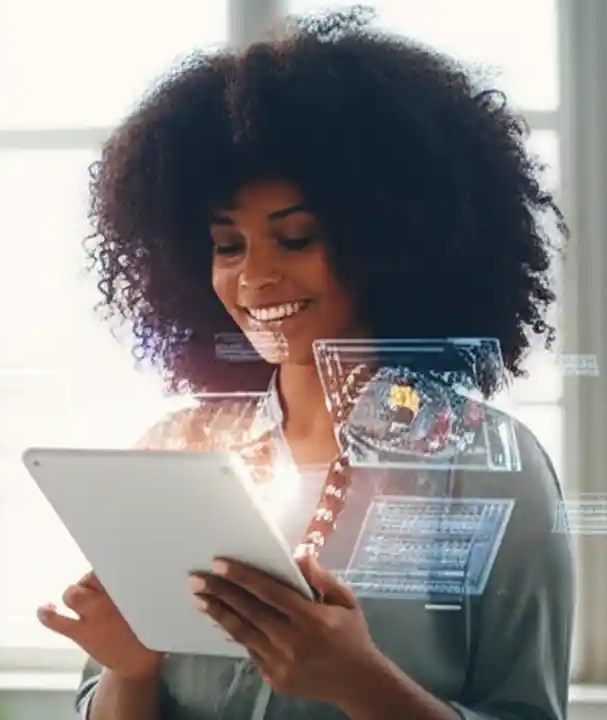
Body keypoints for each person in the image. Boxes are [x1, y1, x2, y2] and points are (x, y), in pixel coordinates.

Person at [37, 9, 573, 720]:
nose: (254, 279)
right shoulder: (174, 452)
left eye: (294, 239)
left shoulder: (486, 465)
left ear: (388, 239)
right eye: (228, 247)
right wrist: (128, 669)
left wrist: (360, 681)